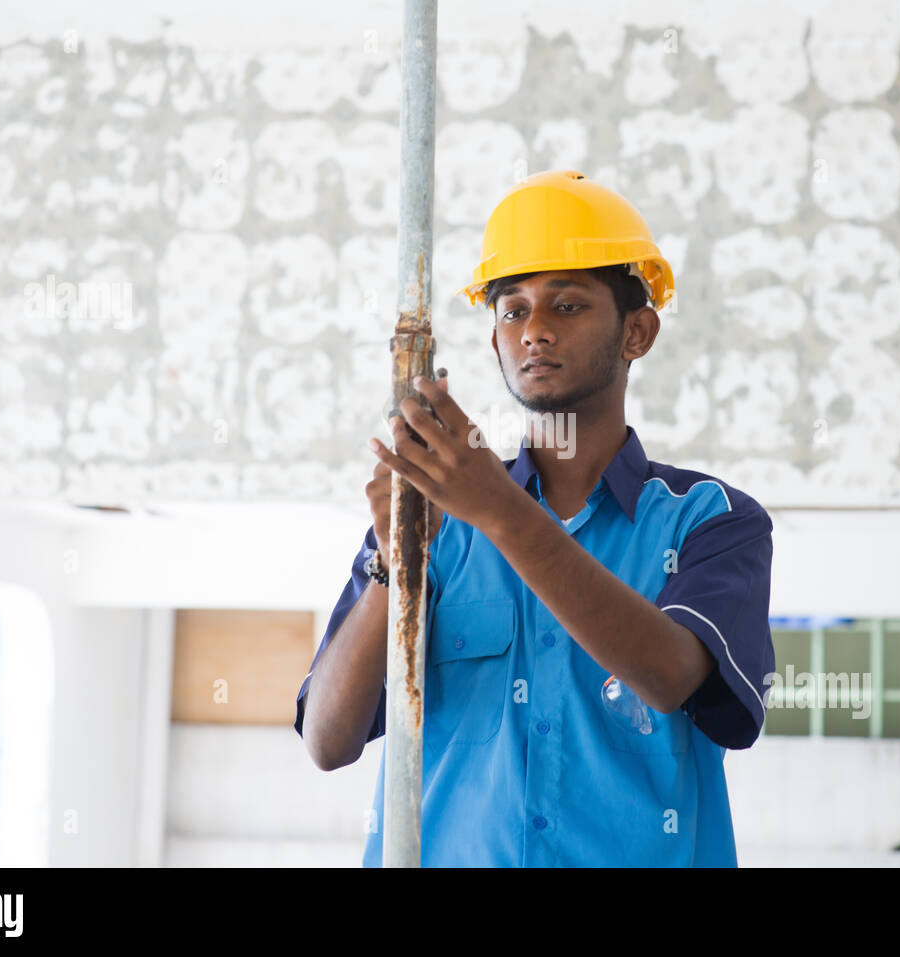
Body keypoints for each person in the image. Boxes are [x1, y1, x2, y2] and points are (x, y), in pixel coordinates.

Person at [295, 169, 775, 866]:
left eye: (569, 305)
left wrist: (498, 508)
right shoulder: (433, 518)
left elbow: (671, 675)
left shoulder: (710, 522)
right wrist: (395, 562)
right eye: (513, 310)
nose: (535, 330)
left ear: (637, 331)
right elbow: (328, 741)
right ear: (494, 342)